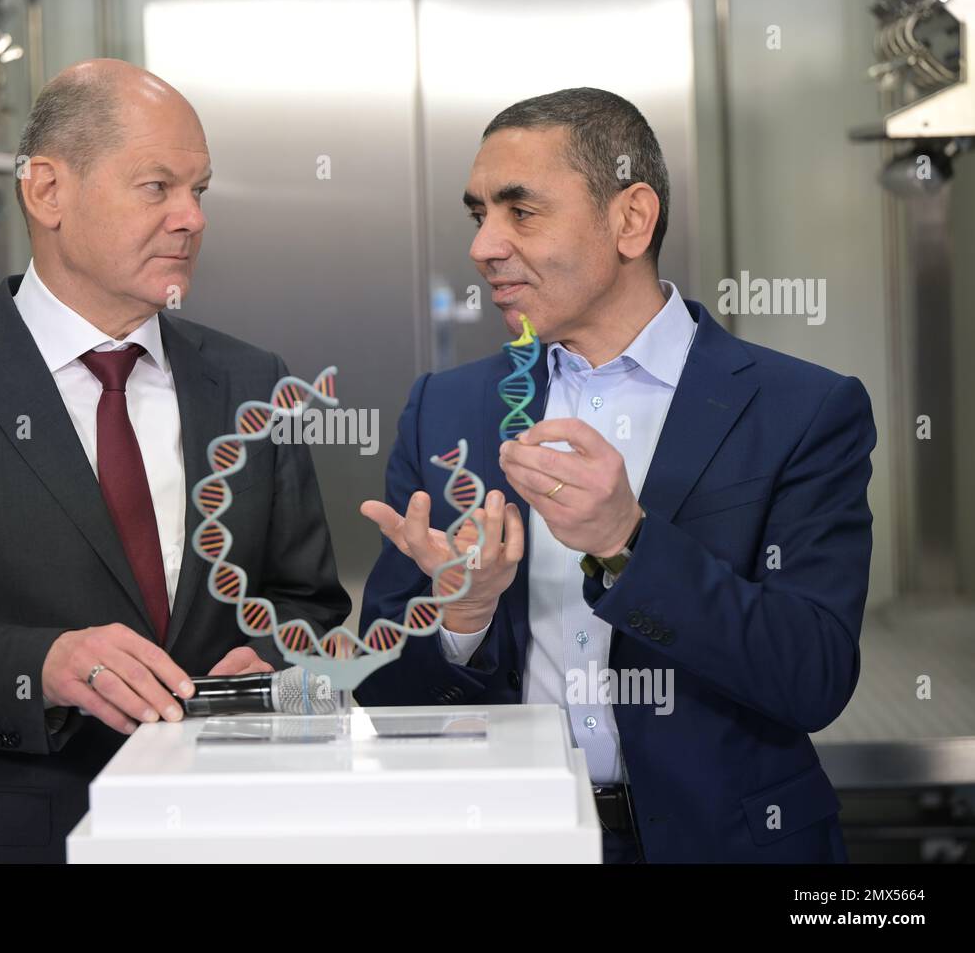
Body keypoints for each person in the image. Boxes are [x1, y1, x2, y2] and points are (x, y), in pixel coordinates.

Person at [0, 59, 350, 862]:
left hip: (229, 832)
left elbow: (307, 602)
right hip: (14, 841)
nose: (191, 219)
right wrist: (44, 664)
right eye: (157, 187)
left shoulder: (252, 382)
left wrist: (271, 659)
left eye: (198, 191)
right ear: (47, 192)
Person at [357, 88, 874, 863]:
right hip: (505, 841)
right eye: (478, 215)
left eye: (520, 211)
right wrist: (461, 620)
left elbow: (814, 677)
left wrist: (628, 545)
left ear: (631, 218)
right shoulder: (447, 410)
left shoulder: (802, 410)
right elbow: (384, 695)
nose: (484, 246)